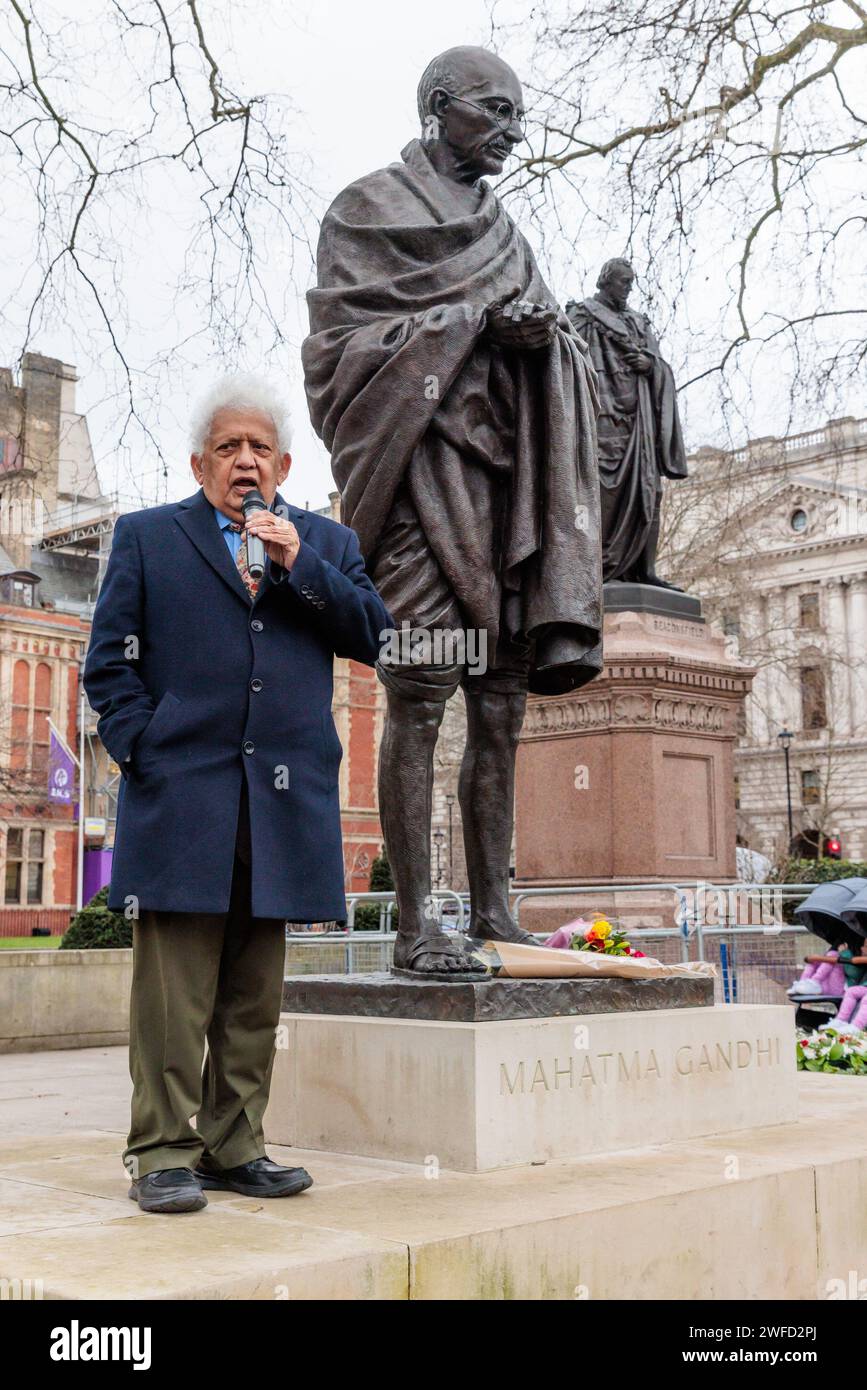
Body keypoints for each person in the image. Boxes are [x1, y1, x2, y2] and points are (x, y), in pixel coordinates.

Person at [302, 46, 603, 977]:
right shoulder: (366, 211)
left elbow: (550, 351)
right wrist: (472, 322)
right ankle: (413, 930)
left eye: (519, 116)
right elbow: (336, 359)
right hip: (418, 491)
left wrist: (541, 342)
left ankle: (494, 911)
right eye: (497, 112)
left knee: (501, 708)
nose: (514, 133)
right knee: (422, 697)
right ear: (440, 107)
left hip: (502, 498)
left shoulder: (507, 233)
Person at [83, 375, 393, 1213]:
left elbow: (373, 633)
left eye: (259, 447)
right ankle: (160, 1152)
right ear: (199, 462)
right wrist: (142, 747)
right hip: (182, 793)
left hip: (284, 799)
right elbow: (107, 663)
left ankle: (233, 1144)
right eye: (228, 447)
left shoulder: (324, 542)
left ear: (285, 463)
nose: (245, 460)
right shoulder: (147, 537)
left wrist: (298, 563)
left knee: (255, 995)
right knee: (174, 994)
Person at [566, 259, 687, 586]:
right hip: (603, 420)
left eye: (631, 283)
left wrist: (649, 364)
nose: (628, 289)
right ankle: (600, 570)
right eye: (623, 282)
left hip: (640, 425)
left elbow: (660, 366)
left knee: (649, 491)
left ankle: (644, 572)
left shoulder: (638, 323)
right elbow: (565, 362)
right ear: (606, 281)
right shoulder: (581, 315)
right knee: (604, 492)